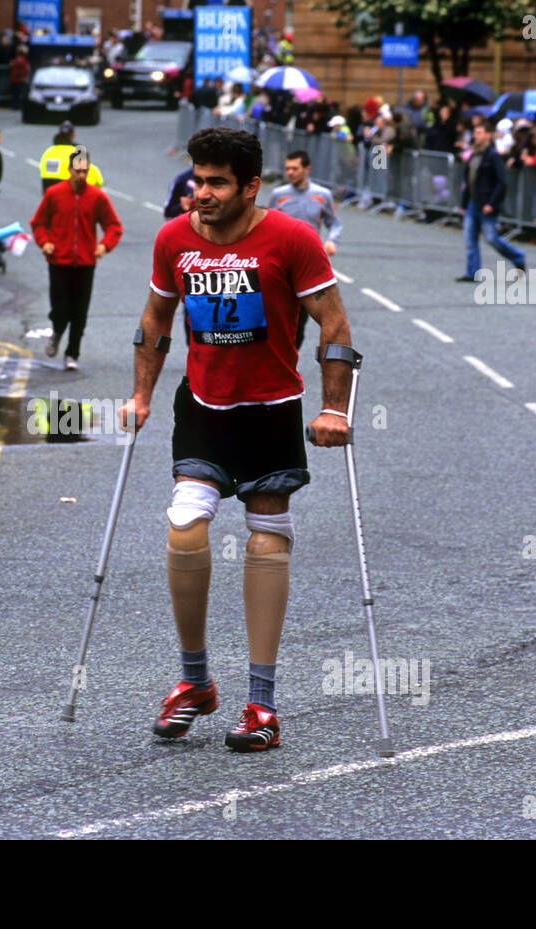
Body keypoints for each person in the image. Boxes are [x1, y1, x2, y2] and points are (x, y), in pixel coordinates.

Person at [116, 126, 354, 752]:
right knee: (185, 525)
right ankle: (195, 680)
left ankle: (261, 704)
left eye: (218, 182)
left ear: (251, 186)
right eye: (198, 180)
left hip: (272, 408)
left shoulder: (293, 239)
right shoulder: (174, 239)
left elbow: (333, 322)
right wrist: (140, 395)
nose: (203, 193)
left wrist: (335, 410)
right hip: (204, 405)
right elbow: (155, 322)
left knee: (267, 540)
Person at [31, 148, 122, 370]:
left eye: (85, 171)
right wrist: (45, 243)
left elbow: (113, 226)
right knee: (60, 308)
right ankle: (57, 331)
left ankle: (72, 354)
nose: (81, 175)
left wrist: (104, 245)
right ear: (69, 169)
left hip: (85, 262)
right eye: (78, 171)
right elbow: (38, 223)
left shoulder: (97, 197)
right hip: (58, 260)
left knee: (80, 310)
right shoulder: (54, 194)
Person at [267, 150, 342, 349]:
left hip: (308, 264)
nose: (290, 173)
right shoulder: (278, 194)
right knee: (278, 312)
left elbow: (334, 223)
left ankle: (291, 354)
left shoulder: (322, 194)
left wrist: (332, 240)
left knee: (300, 319)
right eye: (287, 169)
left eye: (295, 169)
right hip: (281, 263)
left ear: (307, 169)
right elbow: (268, 224)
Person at [458, 119, 527, 282]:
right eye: (475, 132)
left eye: (479, 133)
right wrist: (463, 204)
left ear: (488, 135)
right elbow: (468, 181)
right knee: (470, 238)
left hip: (486, 204)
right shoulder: (474, 155)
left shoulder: (493, 156)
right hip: (472, 203)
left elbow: (502, 183)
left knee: (491, 238)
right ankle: (472, 272)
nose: (476, 135)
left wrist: (492, 203)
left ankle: (518, 257)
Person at [39, 121, 103, 191]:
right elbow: (89, 172)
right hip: (69, 191)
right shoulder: (77, 151)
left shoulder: (48, 152)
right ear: (73, 135)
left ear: (58, 134)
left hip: (49, 192)